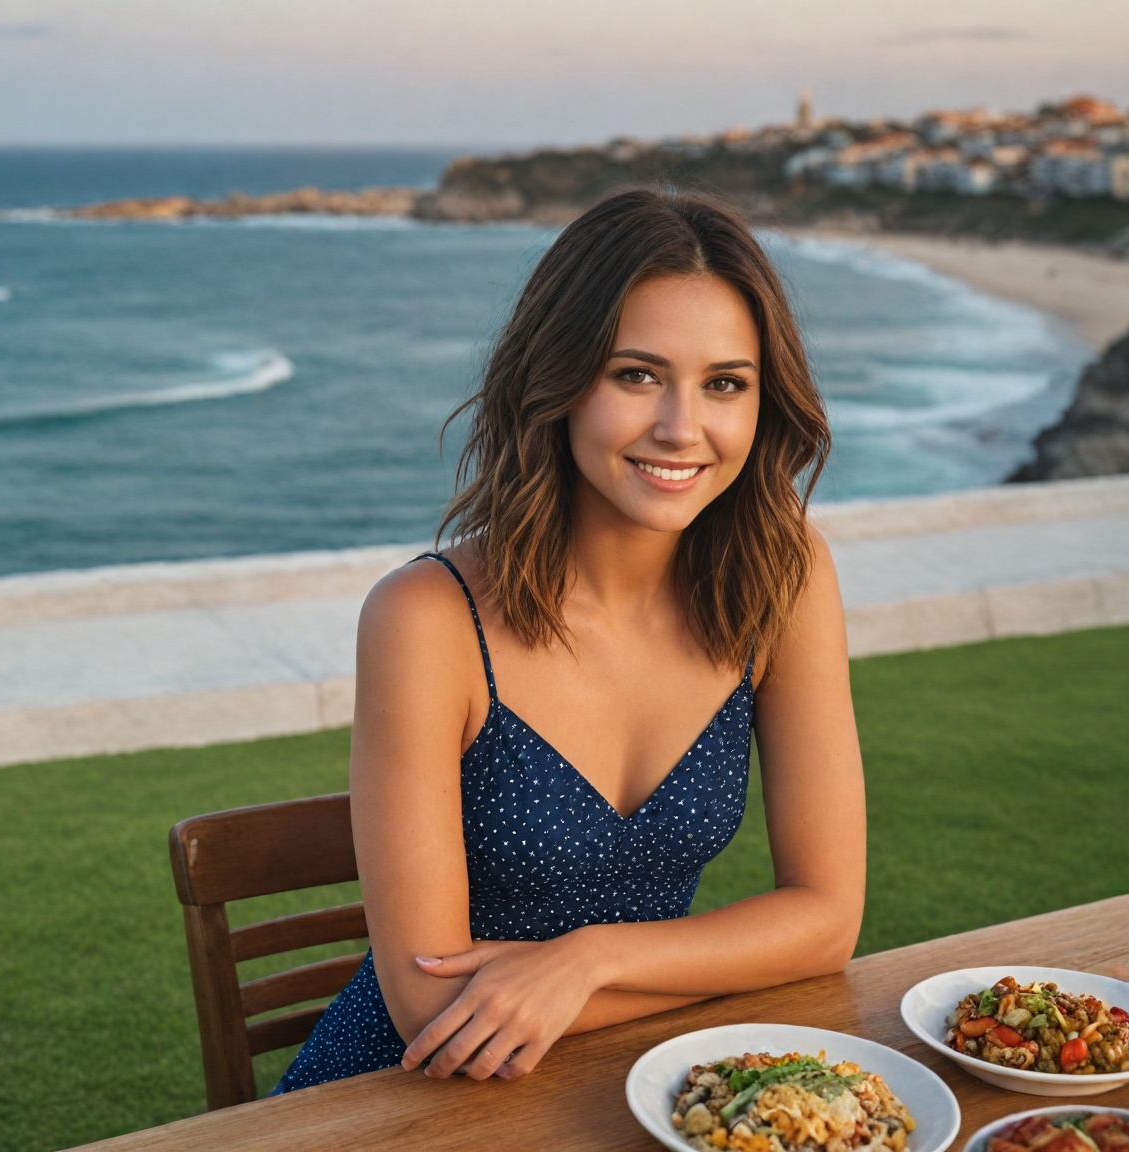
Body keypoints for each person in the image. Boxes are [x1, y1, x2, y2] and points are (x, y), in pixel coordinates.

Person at [274, 189, 866, 1092]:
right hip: (406, 1097)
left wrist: (586, 959)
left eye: (724, 384)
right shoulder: (427, 621)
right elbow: (437, 1014)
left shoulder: (782, 577)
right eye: (636, 374)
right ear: (558, 379)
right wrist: (717, 964)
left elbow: (826, 922)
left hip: (636, 1086)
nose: (681, 427)